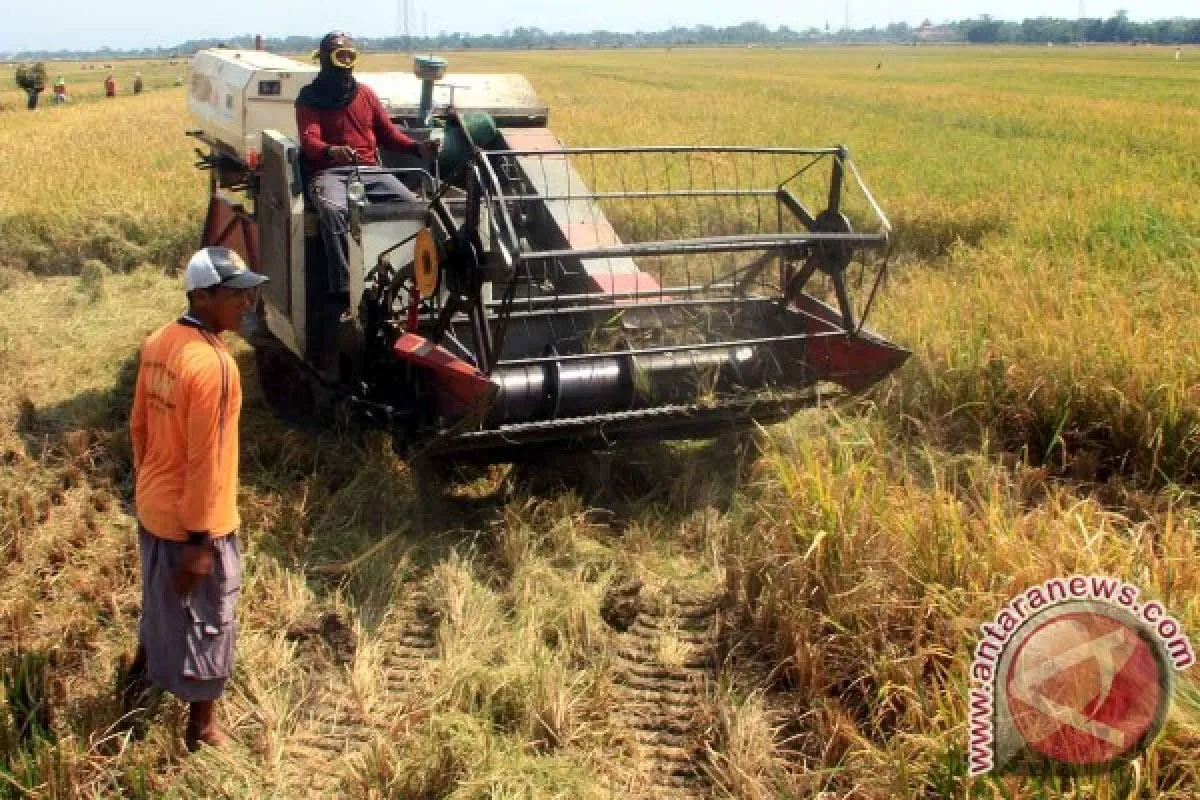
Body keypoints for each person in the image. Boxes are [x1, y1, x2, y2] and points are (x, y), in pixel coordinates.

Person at [121, 247, 268, 751]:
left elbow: (138, 425)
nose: (246, 302)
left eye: (248, 292)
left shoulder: (158, 342)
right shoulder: (215, 365)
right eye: (235, 294)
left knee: (159, 598)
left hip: (155, 506)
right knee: (212, 618)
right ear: (202, 296)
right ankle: (201, 727)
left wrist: (147, 485)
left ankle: (139, 675)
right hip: (198, 519)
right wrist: (201, 541)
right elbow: (208, 458)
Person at [295, 31, 439, 298]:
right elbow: (310, 140)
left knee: (413, 206)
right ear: (325, 60)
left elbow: (389, 135)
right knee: (334, 211)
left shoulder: (365, 94)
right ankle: (345, 290)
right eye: (339, 56)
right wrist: (331, 151)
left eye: (349, 56)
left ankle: (409, 278)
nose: (345, 63)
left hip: (370, 172)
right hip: (329, 173)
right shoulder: (310, 97)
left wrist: (417, 148)